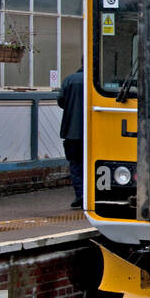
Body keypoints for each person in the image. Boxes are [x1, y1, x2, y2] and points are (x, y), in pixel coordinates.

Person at [58, 65, 85, 208]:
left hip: (71, 132)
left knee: (75, 164)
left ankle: (80, 194)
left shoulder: (69, 80)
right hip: (92, 131)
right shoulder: (97, 80)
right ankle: (90, 194)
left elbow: (61, 101)